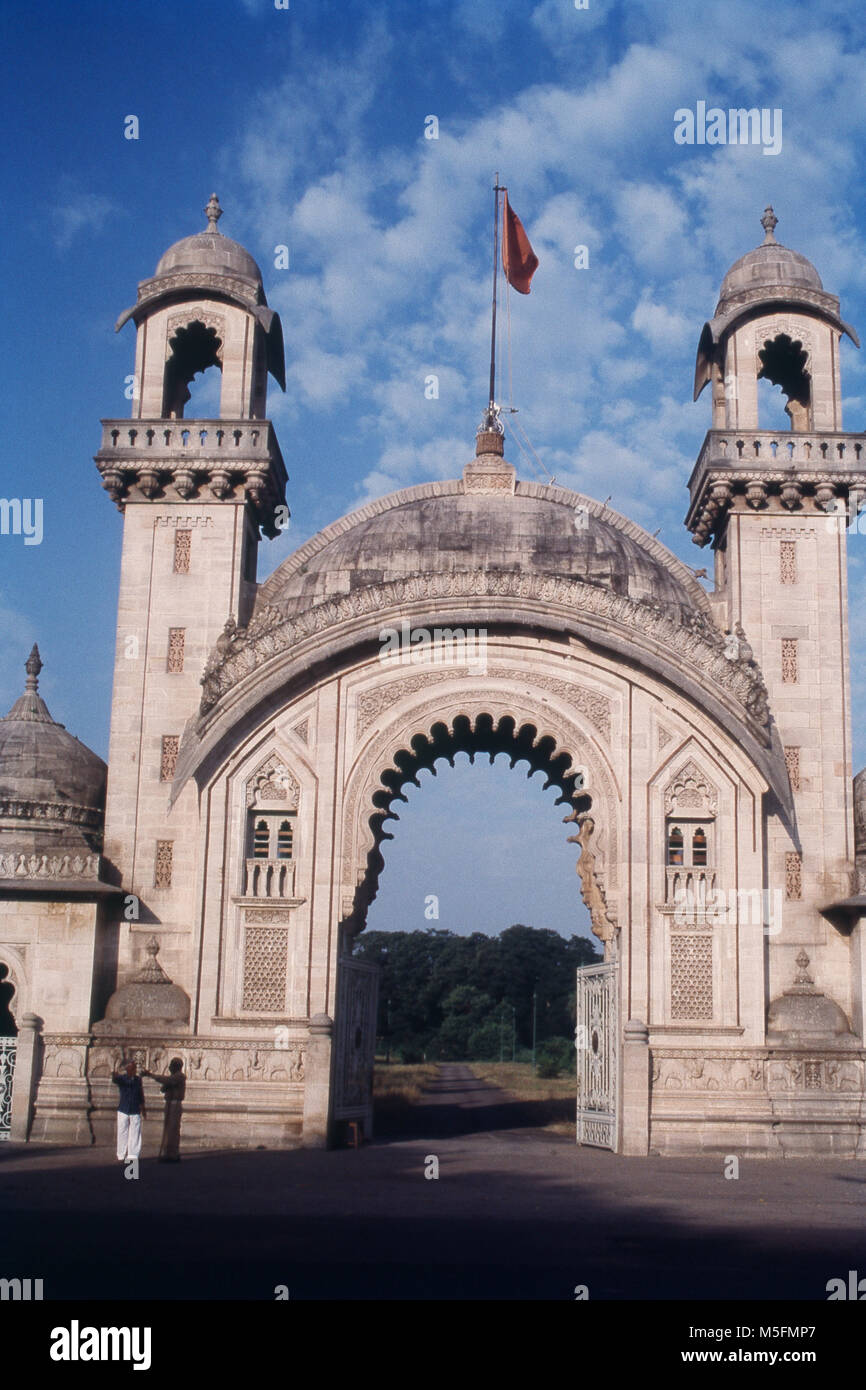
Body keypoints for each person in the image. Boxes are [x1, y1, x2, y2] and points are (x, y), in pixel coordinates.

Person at [142, 1058, 186, 1162]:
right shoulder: (174, 1077)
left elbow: (167, 1081)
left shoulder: (180, 1076)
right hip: (170, 1103)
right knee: (168, 1128)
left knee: (173, 1129)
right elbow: (163, 1088)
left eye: (171, 1065)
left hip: (175, 1104)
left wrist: (150, 1075)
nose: (169, 1067)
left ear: (176, 1066)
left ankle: (172, 1154)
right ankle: (168, 1152)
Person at [111, 1059, 146, 1162]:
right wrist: (114, 1075)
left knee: (135, 1132)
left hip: (135, 1108)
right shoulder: (122, 1079)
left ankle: (133, 1154)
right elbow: (115, 1080)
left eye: (134, 1068)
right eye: (132, 1068)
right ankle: (121, 1153)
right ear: (127, 1069)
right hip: (123, 1108)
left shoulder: (138, 1080)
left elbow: (140, 1094)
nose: (134, 1070)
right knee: (122, 1131)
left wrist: (143, 1108)